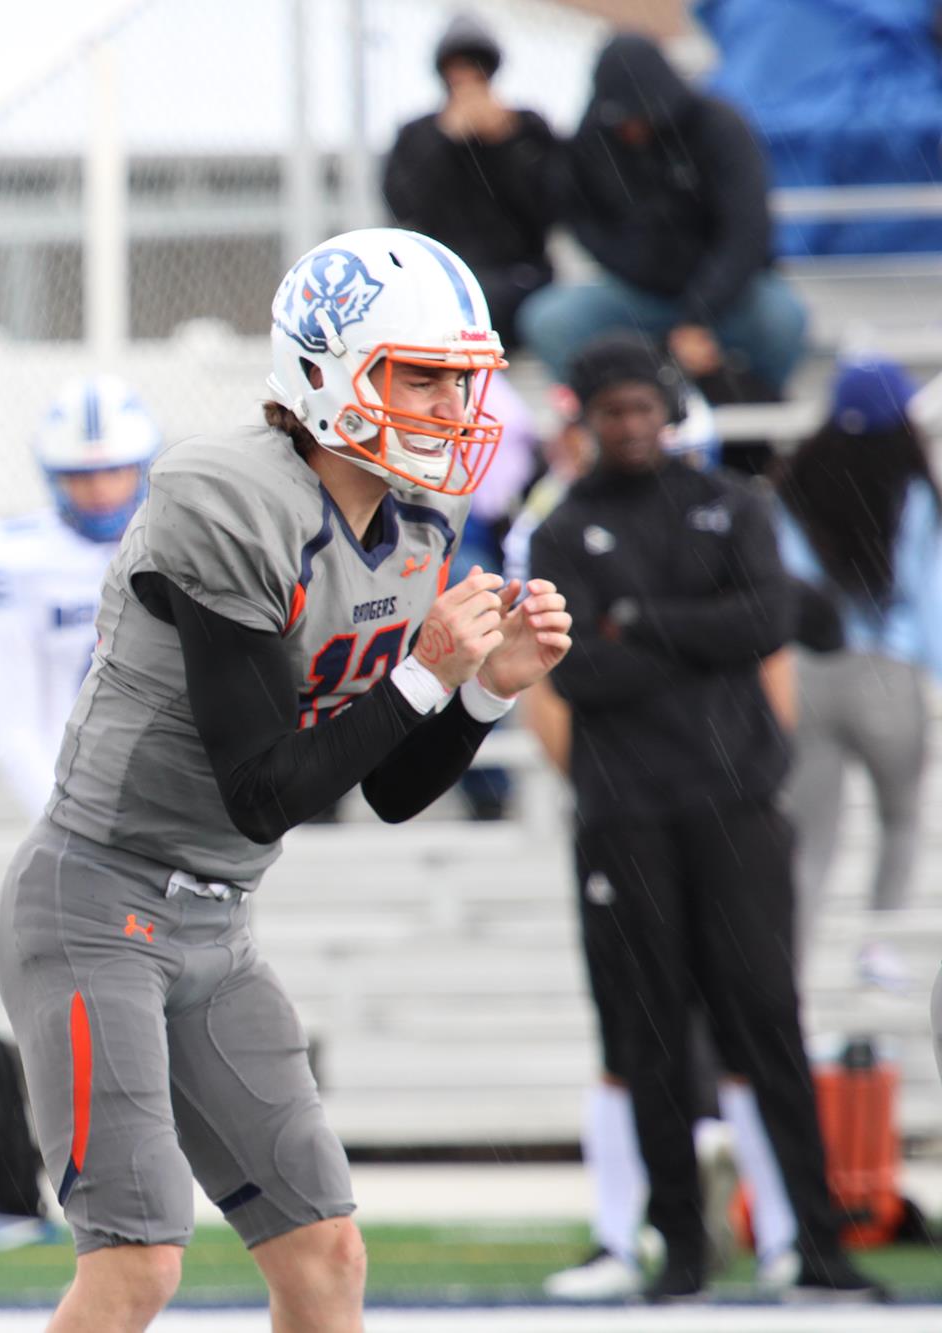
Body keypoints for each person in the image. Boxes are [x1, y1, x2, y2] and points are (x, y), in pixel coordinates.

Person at [0, 226, 573, 1332]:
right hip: (94, 904)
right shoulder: (223, 500)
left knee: (325, 1254)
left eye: (462, 381)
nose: (452, 410)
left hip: (216, 924)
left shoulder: (413, 515)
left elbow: (389, 790)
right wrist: (422, 670)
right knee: (137, 1263)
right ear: (325, 370)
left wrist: (486, 689)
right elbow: (262, 788)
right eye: (422, 377)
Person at [527, 333, 881, 1303]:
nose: (631, 426)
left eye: (645, 407)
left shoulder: (733, 504)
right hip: (625, 811)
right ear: (586, 422)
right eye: (612, 412)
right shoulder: (561, 531)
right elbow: (576, 667)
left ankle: (814, 1244)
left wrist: (638, 620)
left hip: (733, 806)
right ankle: (675, 1247)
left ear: (670, 410)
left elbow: (768, 618)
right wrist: (694, 634)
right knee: (646, 1033)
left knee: (764, 1017)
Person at [774, 355, 942, 993]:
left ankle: (789, 969)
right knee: (898, 819)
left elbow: (787, 588)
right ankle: (879, 949)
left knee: (813, 841)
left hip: (811, 675)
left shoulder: (792, 486)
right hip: (886, 673)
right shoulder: (913, 490)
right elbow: (929, 595)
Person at [519, 34, 810, 396]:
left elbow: (746, 234)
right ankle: (603, 418)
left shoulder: (719, 126)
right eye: (622, 119)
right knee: (550, 320)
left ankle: (757, 423)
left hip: (729, 295)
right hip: (637, 295)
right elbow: (579, 215)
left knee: (782, 320)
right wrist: (635, 268)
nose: (632, 128)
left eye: (640, 116)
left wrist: (697, 316)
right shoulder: (594, 138)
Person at [0, 374, 161, 816]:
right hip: (69, 777)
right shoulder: (17, 556)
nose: (99, 490)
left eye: (114, 471)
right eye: (81, 475)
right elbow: (17, 723)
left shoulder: (178, 540)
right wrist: (62, 816)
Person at [381, 12, 557, 347]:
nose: (465, 78)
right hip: (442, 273)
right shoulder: (418, 135)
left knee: (488, 306)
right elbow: (404, 206)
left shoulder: (527, 129)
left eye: (475, 66)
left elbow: (547, 209)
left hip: (519, 273)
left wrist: (503, 143)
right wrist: (446, 140)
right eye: (456, 67)